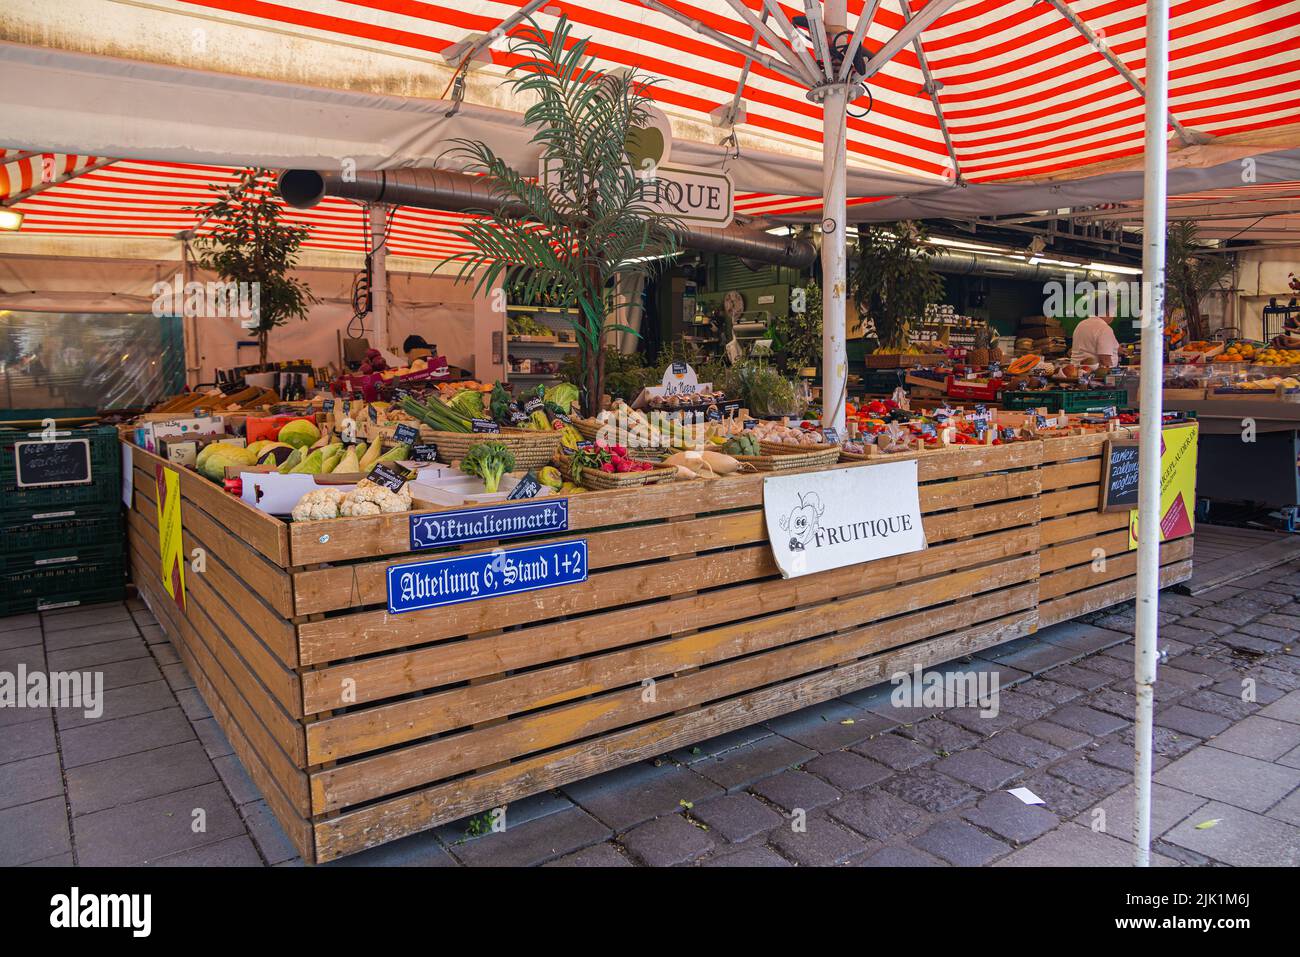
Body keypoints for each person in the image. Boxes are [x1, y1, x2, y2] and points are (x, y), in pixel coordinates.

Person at [1070, 295, 1121, 369]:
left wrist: (1115, 348)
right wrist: (1112, 375)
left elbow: (1088, 347)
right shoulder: (1104, 329)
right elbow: (1105, 359)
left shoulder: (1081, 324)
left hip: (1077, 372)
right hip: (1095, 375)